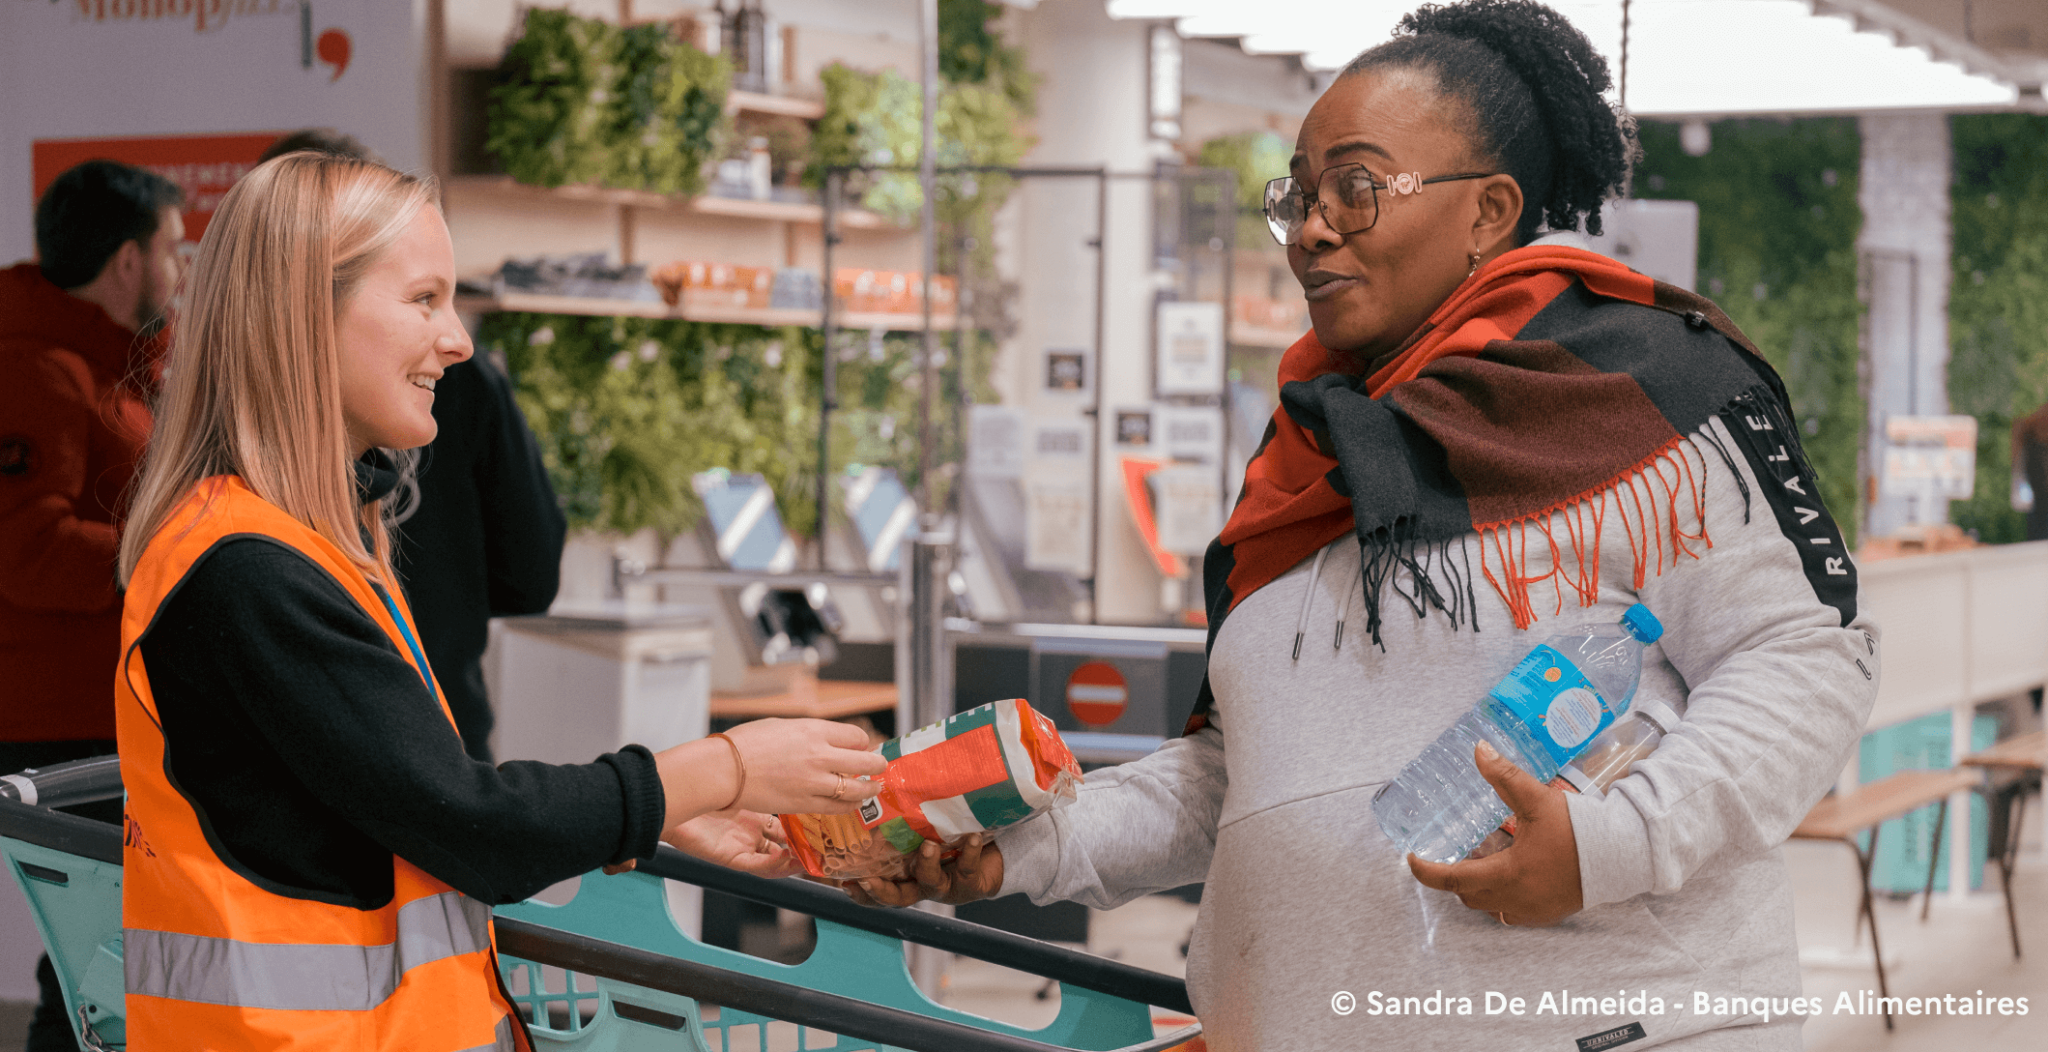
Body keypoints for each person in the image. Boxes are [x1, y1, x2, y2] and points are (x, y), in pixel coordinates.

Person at [852, 3, 1879, 1049]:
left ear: (1487, 209)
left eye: (1354, 187)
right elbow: (1236, 778)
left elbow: (1804, 656)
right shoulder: (1312, 455)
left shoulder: (1652, 390)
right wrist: (1030, 848)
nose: (1310, 227)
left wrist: (1611, 841)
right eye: (1298, 193)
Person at [110, 151, 888, 1051]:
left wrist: (667, 804)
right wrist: (728, 767)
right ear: (302, 317)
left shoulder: (305, 540)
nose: (460, 341)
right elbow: (473, 827)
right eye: (423, 300)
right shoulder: (246, 571)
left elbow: (410, 800)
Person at [257, 128, 566, 762]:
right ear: (306, 298)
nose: (457, 343)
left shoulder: (361, 504)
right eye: (423, 297)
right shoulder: (242, 554)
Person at [0, 158, 184, 1051]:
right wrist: (175, 555)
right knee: (88, 969)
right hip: (65, 735)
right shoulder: (37, 372)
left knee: (109, 964)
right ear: (126, 263)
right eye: (173, 251)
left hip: (115, 719)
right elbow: (27, 551)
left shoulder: (124, 368)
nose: (181, 273)